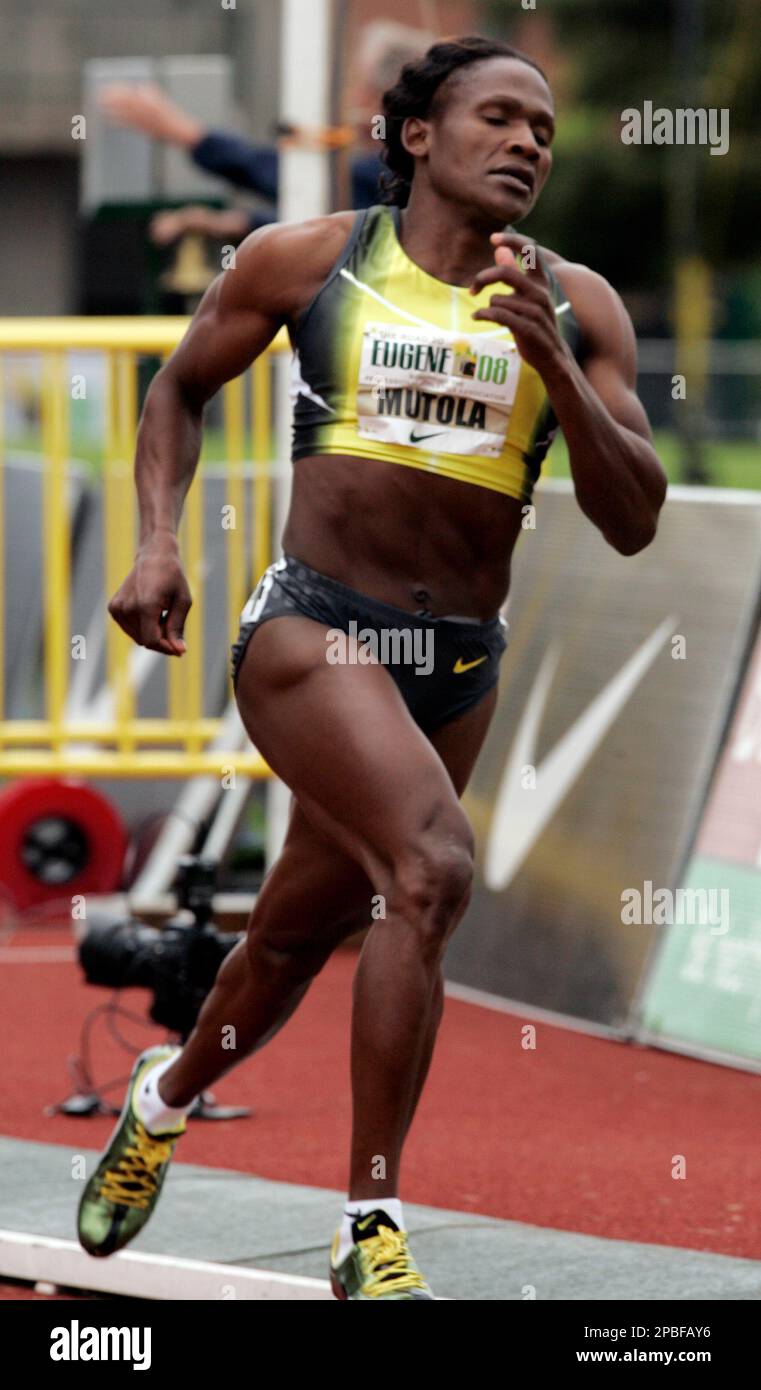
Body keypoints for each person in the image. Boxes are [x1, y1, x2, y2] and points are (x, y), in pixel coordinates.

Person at [77, 35, 667, 1300]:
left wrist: (555, 364)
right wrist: (158, 543)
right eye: (497, 119)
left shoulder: (578, 304)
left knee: (291, 937)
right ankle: (370, 1223)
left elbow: (633, 514)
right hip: (311, 628)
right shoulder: (310, 259)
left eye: (542, 131)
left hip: (455, 662)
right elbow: (177, 388)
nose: (525, 144)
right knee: (430, 868)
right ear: (418, 137)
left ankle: (165, 1094)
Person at [98, 21, 432, 246]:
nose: (352, 97)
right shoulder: (391, 170)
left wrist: (179, 130)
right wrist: (220, 222)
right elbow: (324, 211)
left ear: (388, 95)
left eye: (360, 85)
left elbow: (290, 180)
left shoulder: (390, 171)